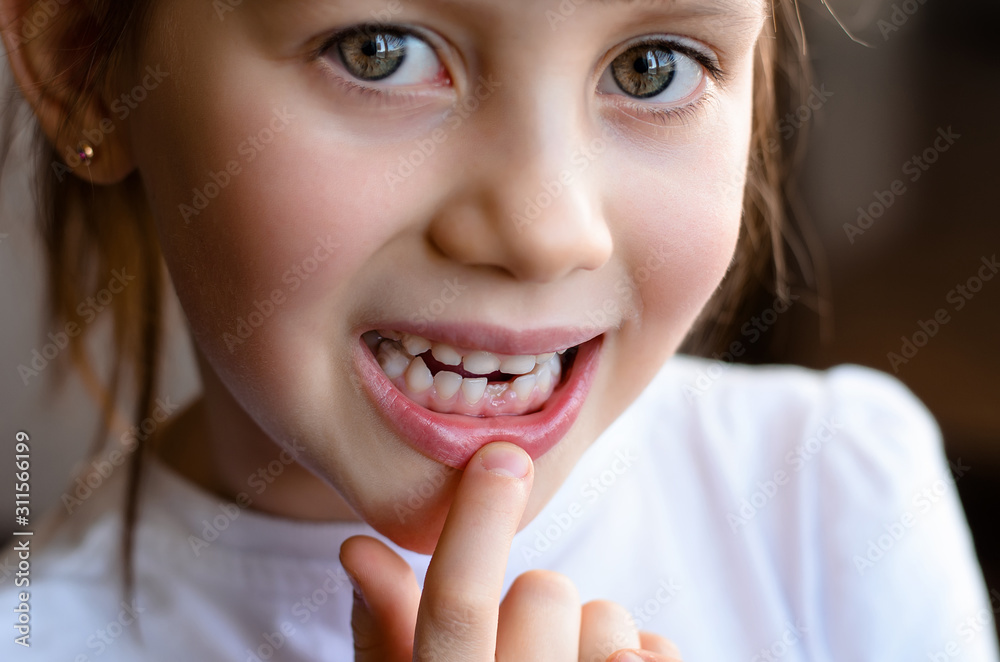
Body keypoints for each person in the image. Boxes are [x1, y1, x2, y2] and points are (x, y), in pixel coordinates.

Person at [1, 0, 996, 659]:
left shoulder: (837, 496)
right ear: (85, 54)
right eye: (378, 51)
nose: (545, 227)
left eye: (652, 67)